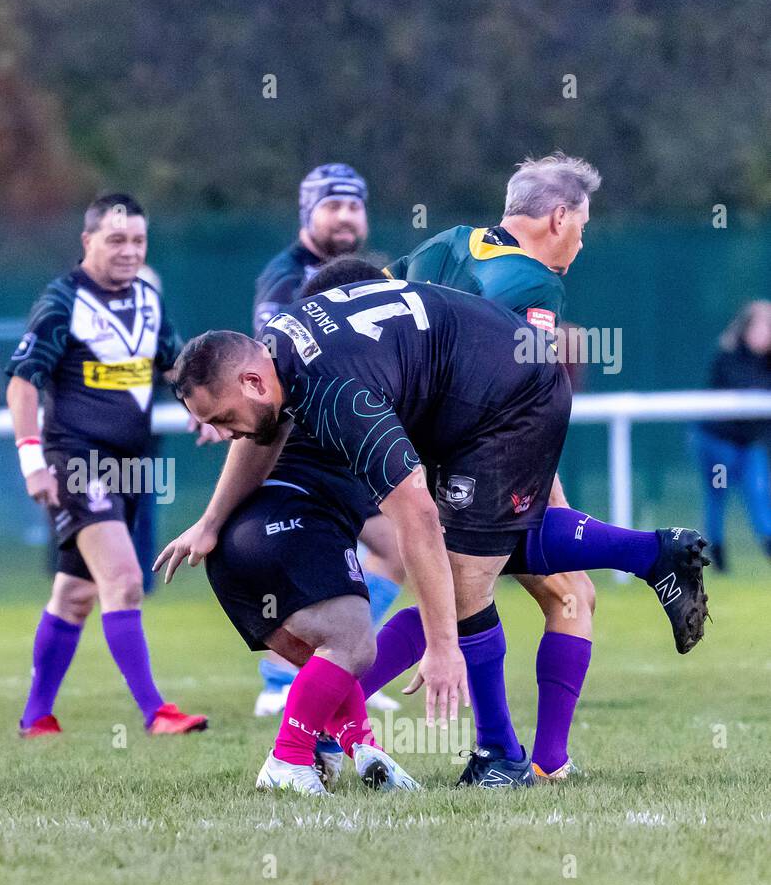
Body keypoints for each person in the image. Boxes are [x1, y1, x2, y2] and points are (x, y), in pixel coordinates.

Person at [159, 277, 710, 791]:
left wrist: (445, 647)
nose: (222, 433)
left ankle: (501, 755)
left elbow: (415, 515)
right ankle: (655, 553)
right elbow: (262, 434)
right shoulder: (278, 344)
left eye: (223, 417)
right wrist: (210, 524)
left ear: (253, 381)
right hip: (473, 400)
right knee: (479, 554)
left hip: (510, 405)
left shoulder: (338, 396)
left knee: (465, 573)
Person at [381, 152, 602, 780]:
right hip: (483, 458)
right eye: (582, 227)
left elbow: (376, 304)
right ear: (559, 217)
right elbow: (520, 393)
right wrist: (544, 491)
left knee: (460, 598)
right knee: (537, 595)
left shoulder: (444, 244)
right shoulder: (536, 283)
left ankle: (541, 760)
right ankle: (524, 760)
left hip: (405, 447)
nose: (581, 244)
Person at [209, 258, 422, 795]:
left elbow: (257, 430)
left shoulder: (299, 366)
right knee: (357, 643)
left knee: (334, 651)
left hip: (241, 544)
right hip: (291, 525)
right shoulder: (349, 372)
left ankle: (357, 744)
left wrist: (210, 522)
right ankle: (290, 754)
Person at [6, 193, 208, 737]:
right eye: (116, 240)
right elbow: (23, 382)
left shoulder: (148, 299)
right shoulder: (61, 301)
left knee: (74, 594)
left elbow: (179, 367)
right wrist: (32, 463)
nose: (129, 251)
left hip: (132, 466)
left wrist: (205, 410)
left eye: (138, 241)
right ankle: (156, 713)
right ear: (87, 241)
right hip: (76, 460)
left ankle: (36, 716)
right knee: (123, 579)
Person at [250, 163, 404, 718]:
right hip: (301, 450)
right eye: (332, 205)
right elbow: (271, 364)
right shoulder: (285, 277)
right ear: (307, 212)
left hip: (346, 446)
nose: (344, 216)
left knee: (396, 548)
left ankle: (338, 667)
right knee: (320, 557)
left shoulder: (370, 274)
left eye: (354, 205)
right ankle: (282, 677)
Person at [692, 300, 771, 570]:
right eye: (763, 326)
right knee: (718, 493)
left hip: (749, 445)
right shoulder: (728, 355)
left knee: (759, 493)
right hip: (718, 444)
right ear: (747, 328)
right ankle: (717, 553)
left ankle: (767, 542)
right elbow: (741, 390)